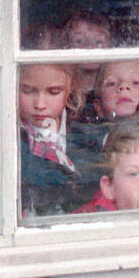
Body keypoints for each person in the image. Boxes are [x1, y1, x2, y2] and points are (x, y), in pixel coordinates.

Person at [18, 62, 96, 215]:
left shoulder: (87, 130)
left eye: (53, 92)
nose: (40, 104)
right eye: (27, 91)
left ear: (70, 89)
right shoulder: (11, 139)